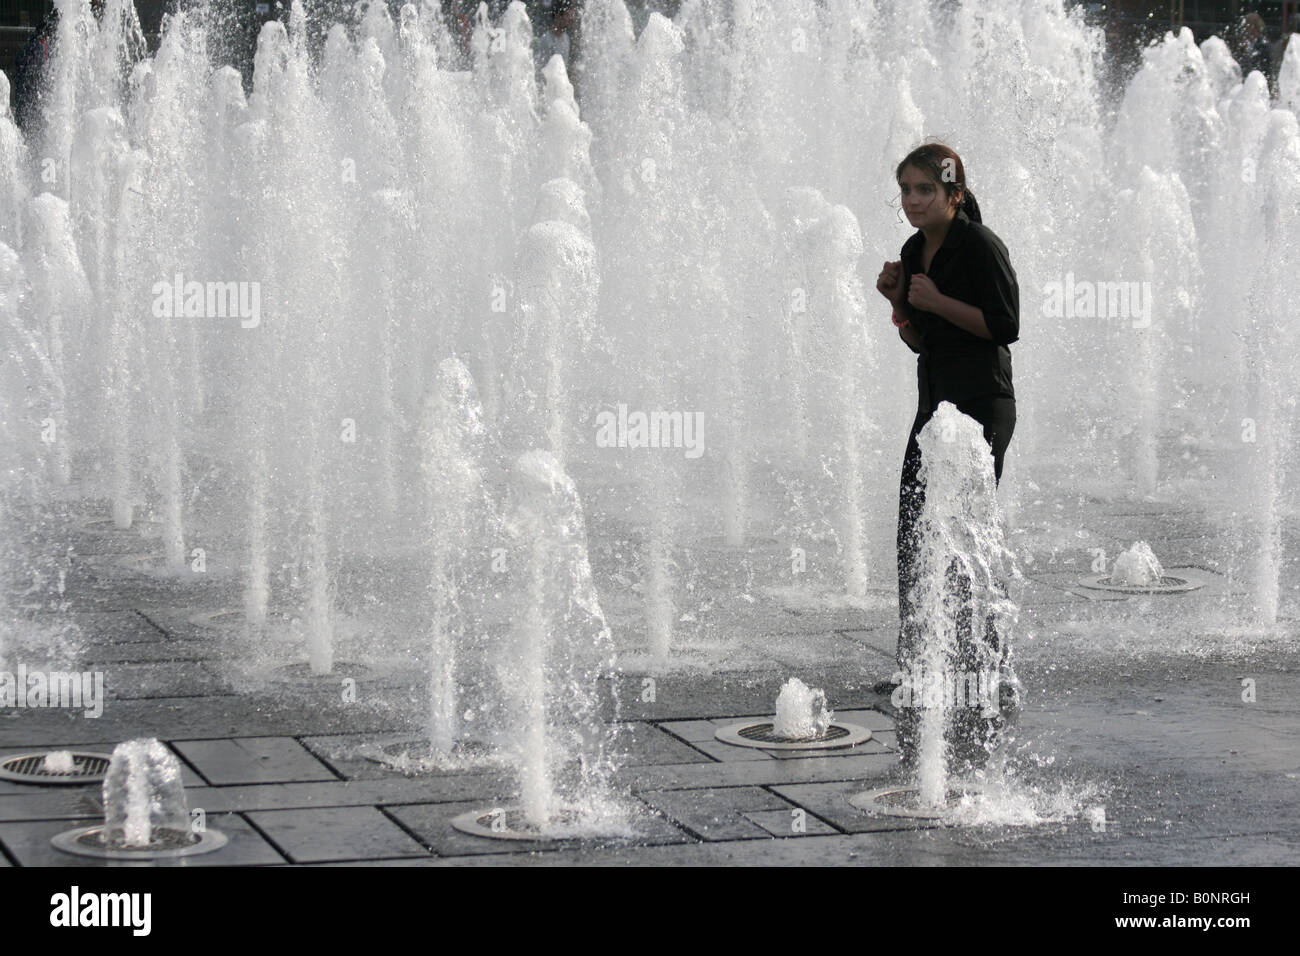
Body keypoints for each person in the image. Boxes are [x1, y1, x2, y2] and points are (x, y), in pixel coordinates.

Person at [874, 142, 1021, 775]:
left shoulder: (980, 245)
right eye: (904, 190)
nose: (911, 202)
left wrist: (932, 302)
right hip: (934, 412)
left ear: (952, 192)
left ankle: (984, 665)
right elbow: (920, 341)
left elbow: (1005, 324)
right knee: (914, 534)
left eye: (923, 191)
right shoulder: (913, 253)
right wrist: (900, 304)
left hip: (981, 408)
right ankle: (921, 662)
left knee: (964, 539)